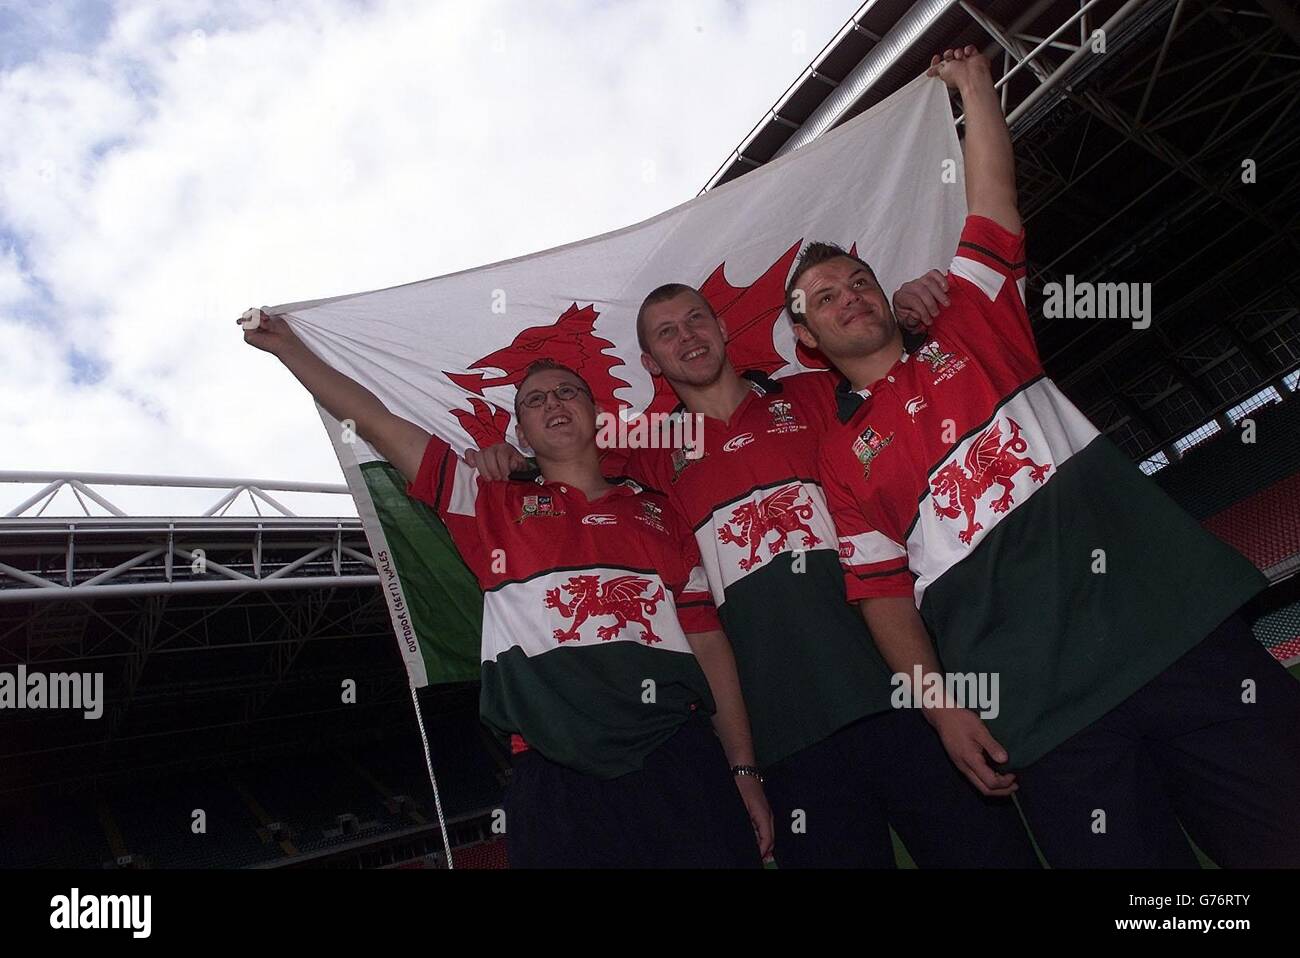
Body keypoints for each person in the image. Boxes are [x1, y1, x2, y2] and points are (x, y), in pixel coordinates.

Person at [791, 45, 1300, 867]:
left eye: (857, 278)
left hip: (1174, 638)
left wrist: (975, 87)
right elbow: (882, 597)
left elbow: (993, 198)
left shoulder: (975, 321)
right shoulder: (842, 461)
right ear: (807, 340)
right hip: (1045, 713)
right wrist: (941, 709)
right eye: (825, 298)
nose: (850, 295)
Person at [472, 282, 1037, 868]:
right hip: (784, 741)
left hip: (904, 697)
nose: (686, 337)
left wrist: (919, 316)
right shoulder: (647, 463)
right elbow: (569, 461)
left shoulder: (817, 394)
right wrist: (514, 467)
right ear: (650, 363)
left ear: (721, 328)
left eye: (695, 320)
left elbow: (906, 382)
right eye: (666, 332)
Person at [241, 313, 773, 867]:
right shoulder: (486, 504)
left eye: (568, 392)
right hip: (556, 778)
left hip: (680, 759)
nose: (553, 403)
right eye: (534, 400)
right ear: (519, 432)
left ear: (597, 415)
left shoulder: (660, 511)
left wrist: (742, 769)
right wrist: (289, 350)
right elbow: (377, 422)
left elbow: (708, 645)